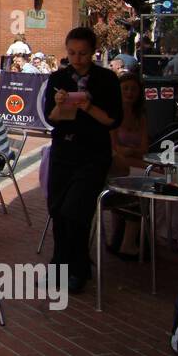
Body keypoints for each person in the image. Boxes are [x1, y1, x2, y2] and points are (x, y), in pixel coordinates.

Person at [44, 26, 123, 293]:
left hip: (92, 154)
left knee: (75, 211)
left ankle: (78, 269)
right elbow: (50, 118)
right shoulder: (58, 77)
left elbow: (113, 120)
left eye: (83, 54)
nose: (77, 59)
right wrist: (60, 103)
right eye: (72, 53)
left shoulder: (107, 80)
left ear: (93, 52)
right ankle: (59, 266)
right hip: (63, 152)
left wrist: (87, 105)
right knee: (58, 210)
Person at [107, 71, 150, 260]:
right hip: (117, 167)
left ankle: (125, 238)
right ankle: (126, 241)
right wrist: (132, 152)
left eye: (134, 89)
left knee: (151, 177)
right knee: (143, 181)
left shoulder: (140, 117)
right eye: (125, 88)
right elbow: (115, 149)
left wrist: (130, 151)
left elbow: (144, 147)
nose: (130, 92)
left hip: (132, 164)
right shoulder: (112, 115)